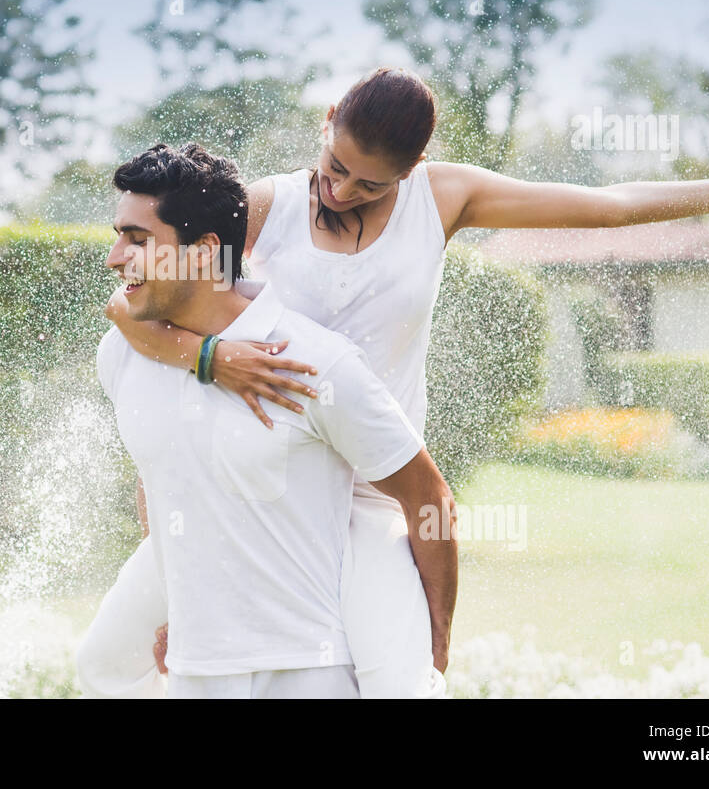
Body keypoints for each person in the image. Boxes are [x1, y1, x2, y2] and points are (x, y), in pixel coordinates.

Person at [77, 65, 709, 698]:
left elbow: (607, 207)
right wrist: (212, 359)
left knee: (401, 680)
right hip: (266, 476)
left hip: (373, 492)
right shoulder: (267, 205)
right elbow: (134, 303)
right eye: (335, 166)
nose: (340, 190)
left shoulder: (445, 197)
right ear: (328, 120)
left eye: (370, 183)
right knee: (109, 661)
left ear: (410, 170)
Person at [91, 142, 455, 699]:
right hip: (191, 673)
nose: (115, 258)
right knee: (97, 668)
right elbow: (163, 480)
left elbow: (428, 497)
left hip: (307, 673)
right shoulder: (121, 355)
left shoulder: (314, 364)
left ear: (204, 251)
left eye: (139, 240)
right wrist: (170, 602)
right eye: (119, 235)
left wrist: (435, 642)